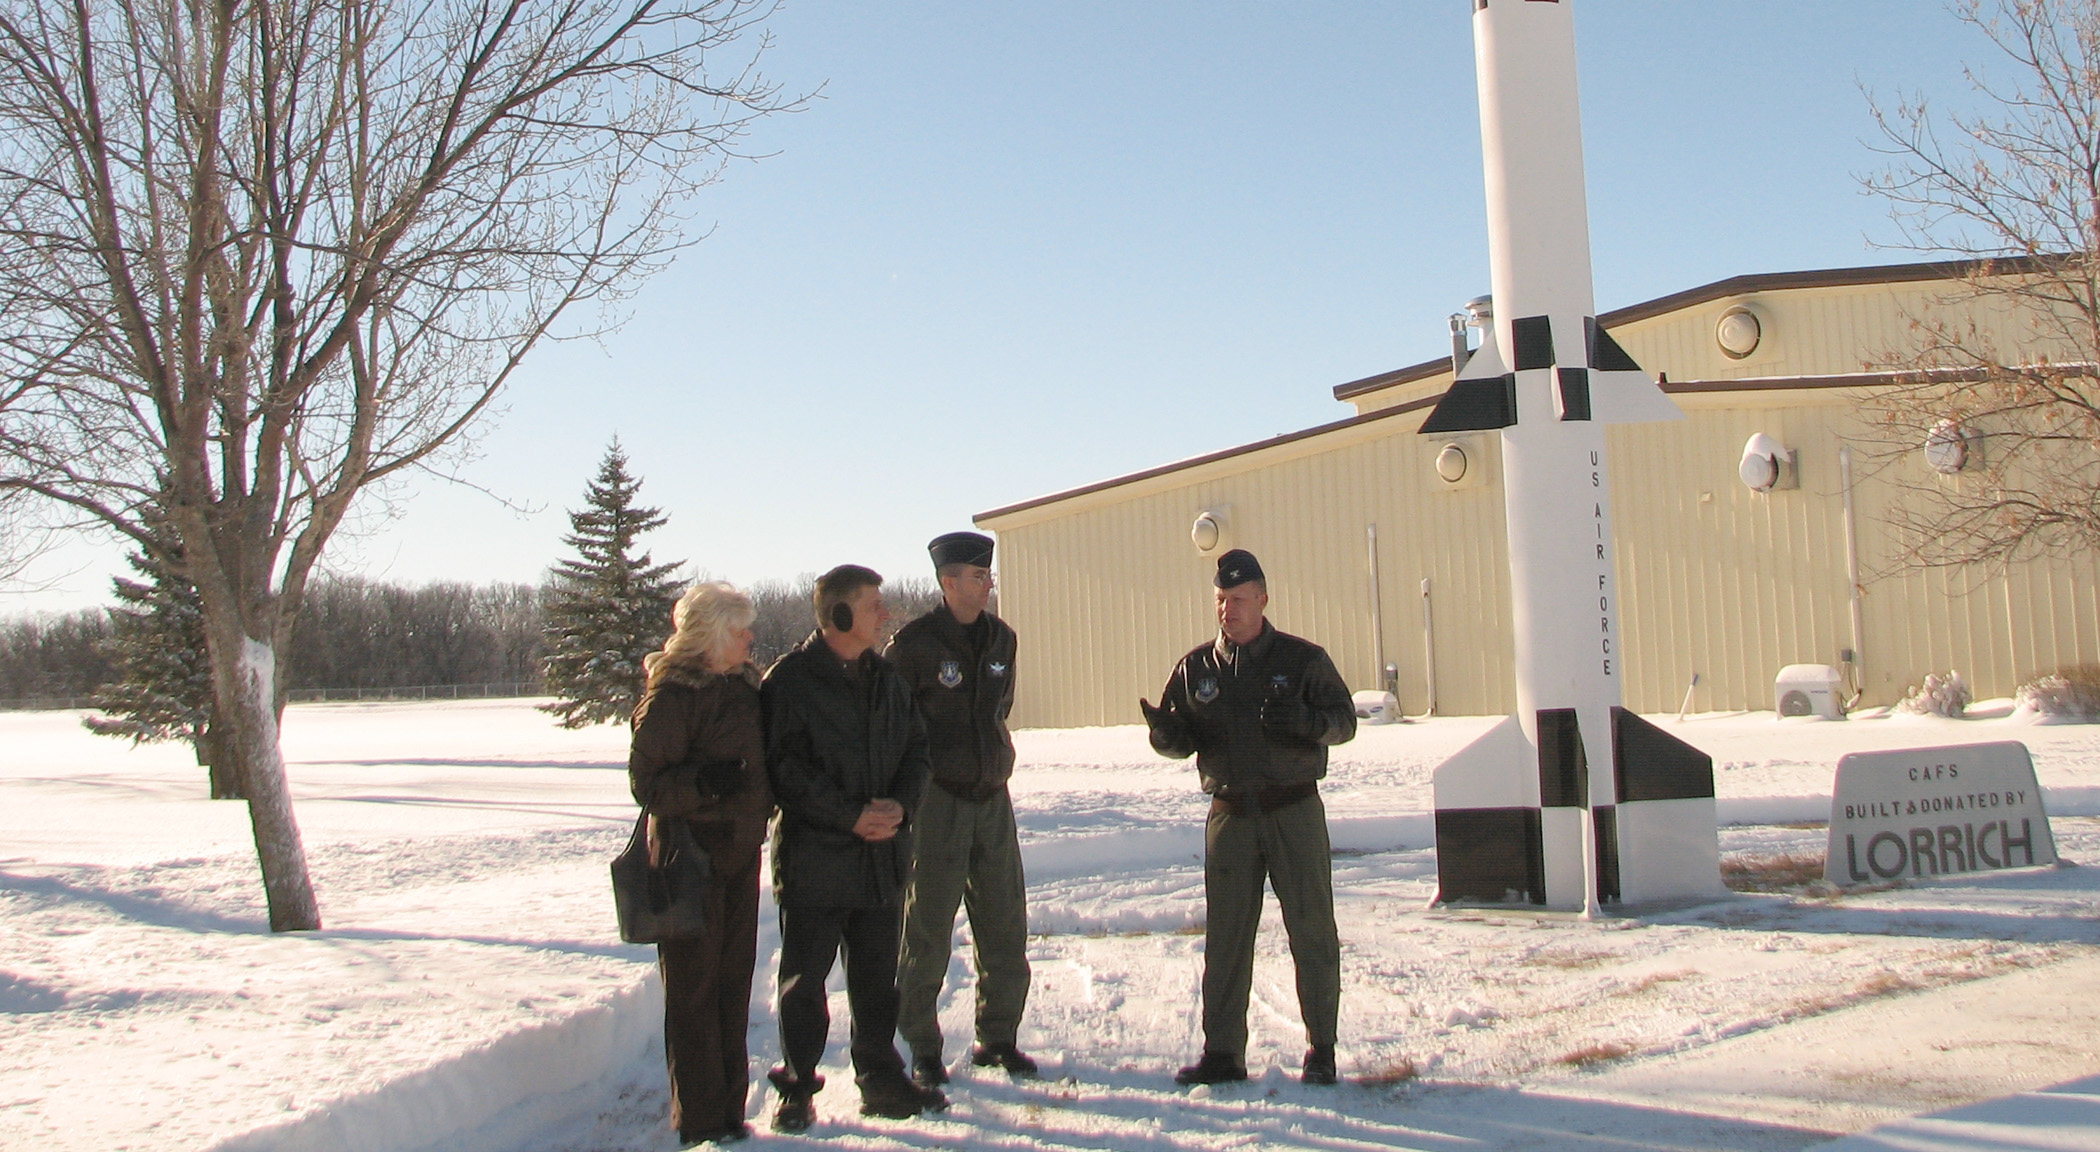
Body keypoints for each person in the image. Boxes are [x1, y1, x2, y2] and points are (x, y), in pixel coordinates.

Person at [1139, 548, 1357, 1088]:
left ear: (1262, 599)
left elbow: (1344, 722)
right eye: (1220, 599)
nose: (1227, 610)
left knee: (1311, 928)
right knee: (1227, 936)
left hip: (1293, 810)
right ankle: (1223, 1053)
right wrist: (1165, 735)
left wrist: (1306, 721)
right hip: (1231, 814)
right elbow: (1182, 736)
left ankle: (1322, 1048)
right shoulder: (1196, 669)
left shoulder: (1303, 660)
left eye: (1238, 599)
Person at [760, 564, 944, 1132]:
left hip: (880, 861)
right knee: (804, 983)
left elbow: (918, 751)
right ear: (839, 614)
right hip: (816, 862)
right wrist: (849, 816)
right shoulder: (790, 681)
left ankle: (880, 1078)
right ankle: (797, 1087)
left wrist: (901, 807)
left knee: (876, 980)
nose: (884, 614)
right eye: (872, 605)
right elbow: (785, 770)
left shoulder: (887, 680)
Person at [886, 531, 1036, 1090]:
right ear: (948, 582)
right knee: (927, 926)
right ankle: (922, 1047)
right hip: (938, 802)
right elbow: (893, 723)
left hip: (991, 798)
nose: (986, 583)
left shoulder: (1002, 639)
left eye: (987, 574)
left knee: (1004, 922)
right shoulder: (914, 645)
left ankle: (997, 1037)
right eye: (976, 576)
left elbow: (1000, 708)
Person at [627, 582, 774, 1147]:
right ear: (710, 636)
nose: (750, 639)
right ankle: (700, 1119)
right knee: (693, 989)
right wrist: (704, 784)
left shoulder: (745, 688)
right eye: (739, 631)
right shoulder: (672, 698)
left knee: (733, 984)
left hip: (739, 853)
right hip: (687, 860)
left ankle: (729, 1110)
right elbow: (647, 784)